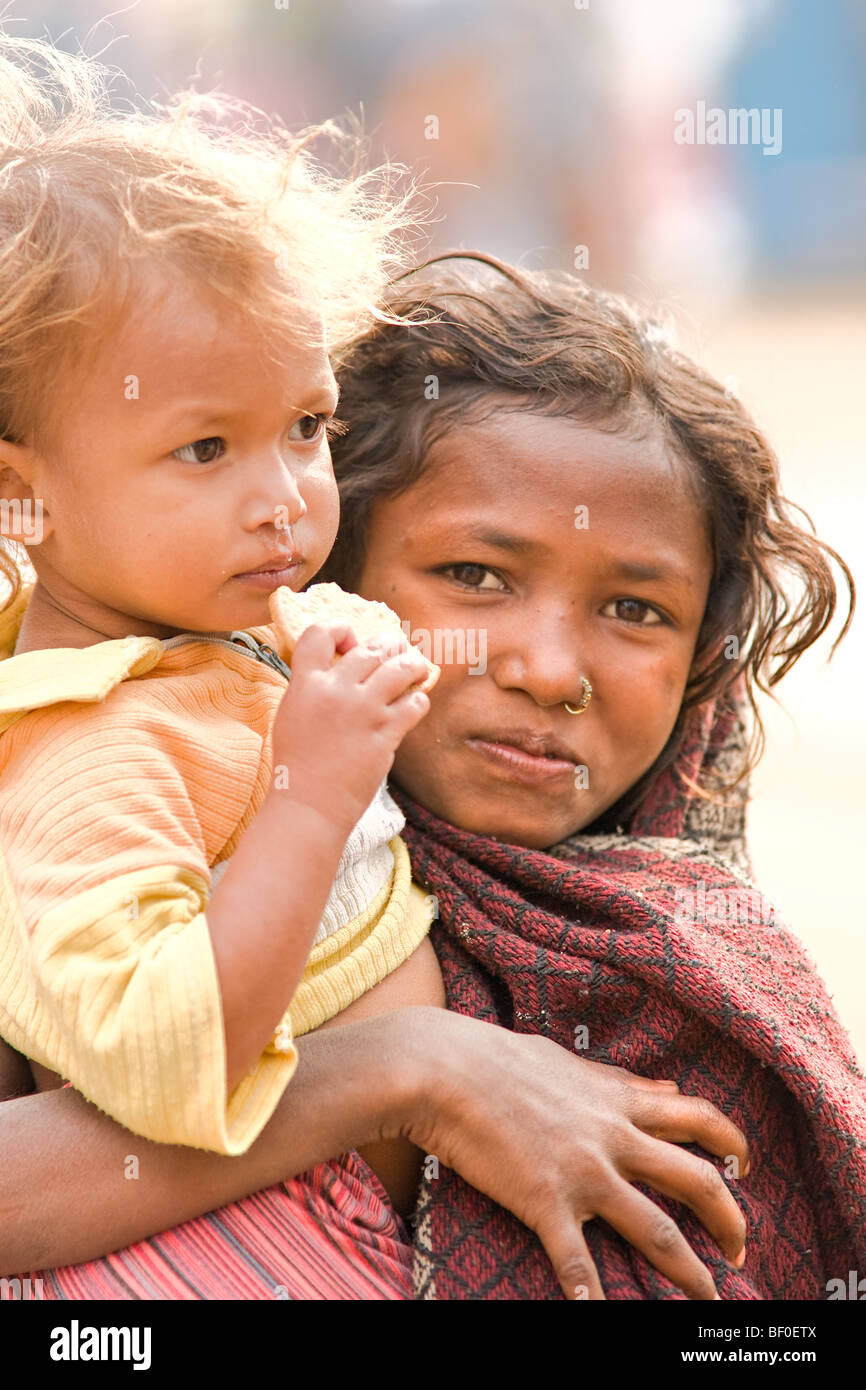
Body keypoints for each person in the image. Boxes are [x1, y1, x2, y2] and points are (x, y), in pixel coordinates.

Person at [0, 36, 749, 1301]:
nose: (283, 503)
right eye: (468, 577)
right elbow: (154, 1065)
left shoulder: (668, 915)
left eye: (303, 431)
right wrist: (420, 1064)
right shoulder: (106, 744)